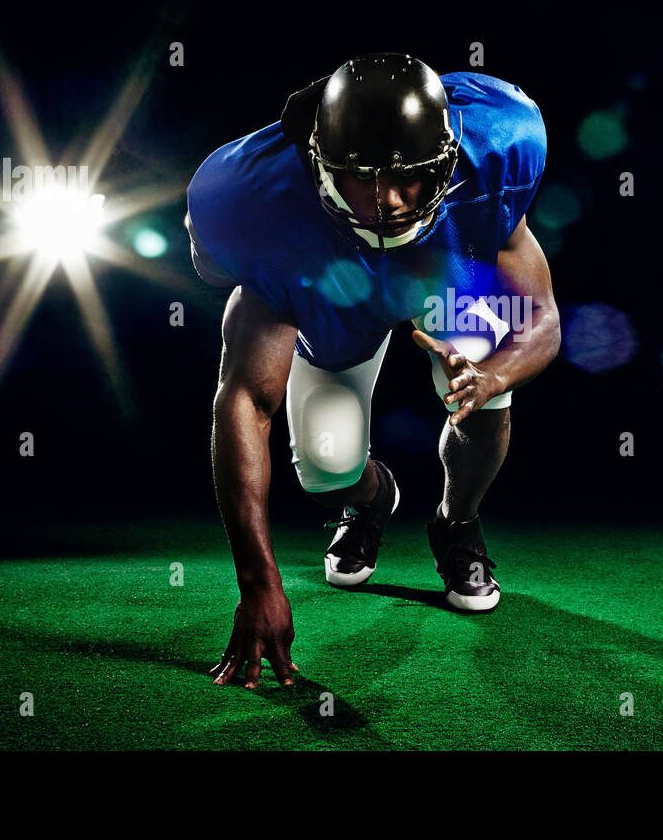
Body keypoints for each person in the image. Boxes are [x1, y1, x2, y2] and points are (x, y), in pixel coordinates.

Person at [185, 53, 558, 688]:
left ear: (445, 158)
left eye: (408, 176)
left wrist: (492, 376)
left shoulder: (496, 147)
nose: (386, 200)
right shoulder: (260, 204)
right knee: (324, 471)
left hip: (444, 287)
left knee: (483, 390)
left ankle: (456, 520)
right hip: (331, 296)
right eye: (360, 176)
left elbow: (541, 318)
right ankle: (369, 499)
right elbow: (245, 398)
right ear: (318, 161)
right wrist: (257, 584)